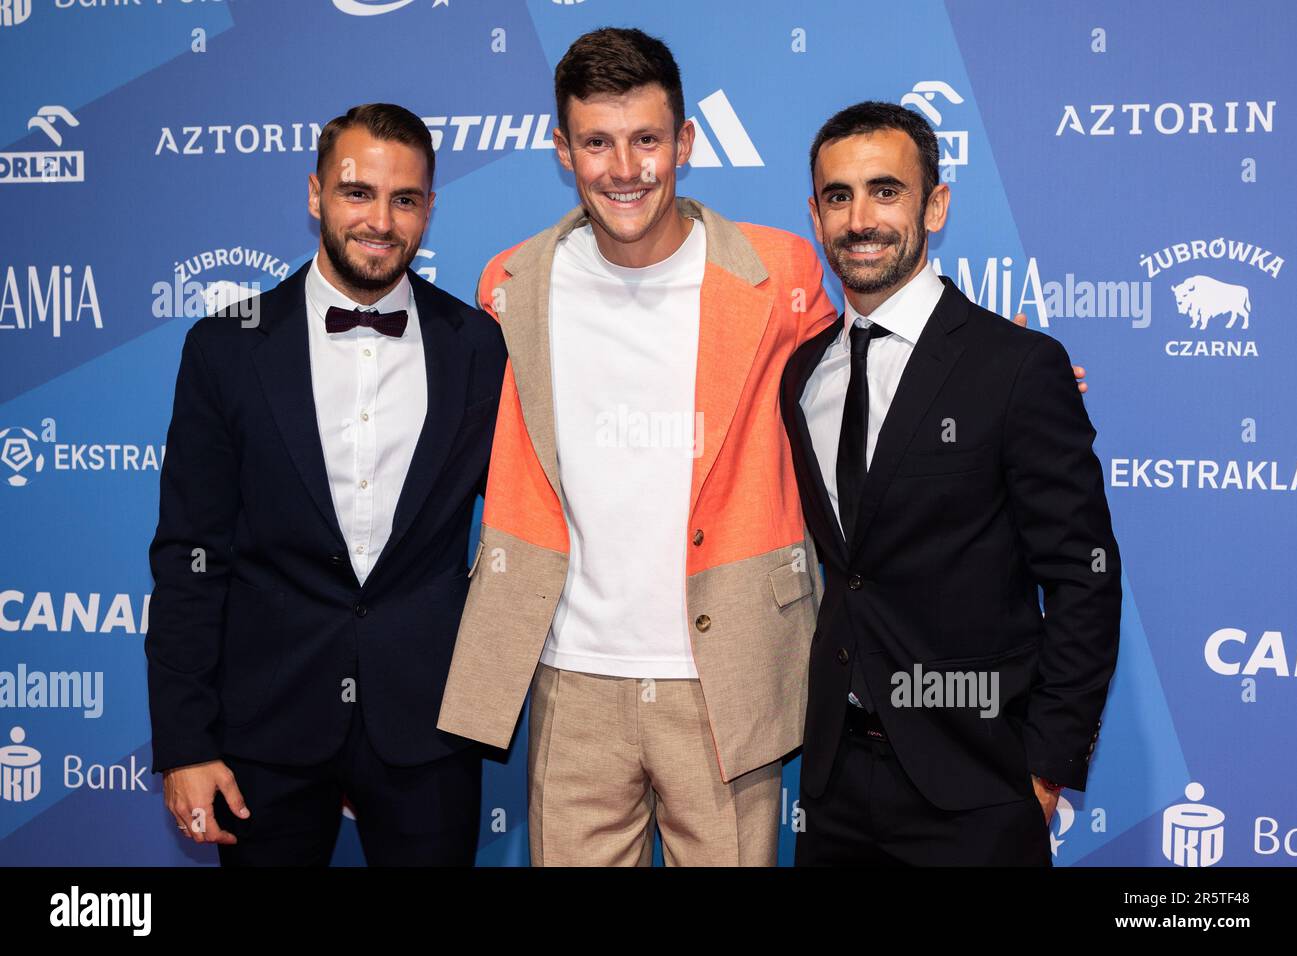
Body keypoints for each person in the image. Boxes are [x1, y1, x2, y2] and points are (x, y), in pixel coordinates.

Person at [436, 27, 835, 866]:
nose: (625, 169)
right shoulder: (512, 284)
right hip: (568, 672)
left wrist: (971, 372)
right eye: (597, 142)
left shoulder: (778, 272)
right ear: (562, 149)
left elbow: (846, 401)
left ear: (684, 143)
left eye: (647, 140)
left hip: (728, 671)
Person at [146, 103, 505, 865]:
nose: (380, 220)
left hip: (430, 728)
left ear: (429, 210)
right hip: (265, 730)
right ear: (315, 195)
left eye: (404, 199)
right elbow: (188, 557)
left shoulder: (478, 346)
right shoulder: (225, 347)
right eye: (356, 193)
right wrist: (184, 744)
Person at [782, 101, 1121, 866]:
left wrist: (1044, 768)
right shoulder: (804, 376)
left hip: (977, 783)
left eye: (885, 190)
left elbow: (1084, 578)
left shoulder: (1016, 367)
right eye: (838, 196)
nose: (860, 218)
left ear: (934, 205)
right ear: (814, 214)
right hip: (834, 785)